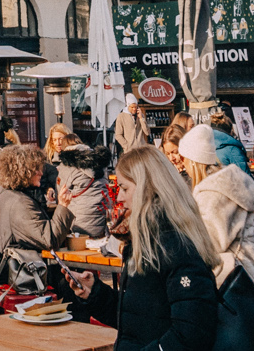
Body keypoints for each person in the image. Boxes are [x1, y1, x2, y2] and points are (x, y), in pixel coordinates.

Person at [57, 147, 219, 351]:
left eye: (124, 188)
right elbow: (136, 319)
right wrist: (95, 293)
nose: (119, 198)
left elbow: (192, 334)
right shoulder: (145, 243)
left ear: (147, 189)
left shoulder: (175, 248)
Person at [178, 123, 254, 290]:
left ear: (194, 161)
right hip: (246, 269)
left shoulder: (213, 192)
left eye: (184, 158)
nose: (182, 163)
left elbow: (211, 242)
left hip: (232, 277)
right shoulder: (227, 182)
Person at [0, 142, 74, 269]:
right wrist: (63, 206)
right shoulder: (20, 203)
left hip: (7, 267)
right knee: (82, 279)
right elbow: (49, 240)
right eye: (36, 169)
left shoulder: (4, 193)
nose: (41, 173)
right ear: (23, 171)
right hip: (22, 273)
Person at [50, 132, 110, 237]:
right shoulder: (99, 160)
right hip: (103, 218)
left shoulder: (67, 164)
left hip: (80, 223)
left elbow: (61, 192)